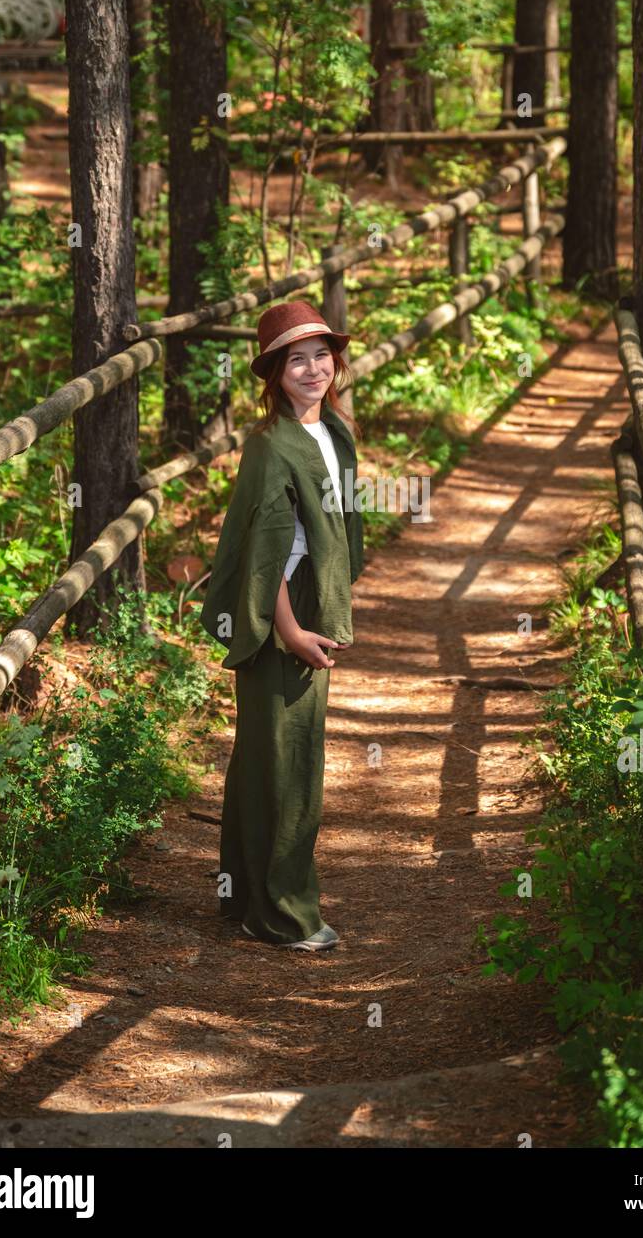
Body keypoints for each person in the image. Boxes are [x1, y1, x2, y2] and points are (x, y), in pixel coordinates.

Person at [200, 301, 363, 951]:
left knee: (263, 755)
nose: (313, 367)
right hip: (278, 616)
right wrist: (289, 630)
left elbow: (338, 529)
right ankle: (284, 913)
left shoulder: (337, 433)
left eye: (322, 354)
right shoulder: (270, 448)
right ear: (274, 372)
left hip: (306, 610)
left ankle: (240, 892)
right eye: (297, 359)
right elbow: (268, 555)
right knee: (288, 763)